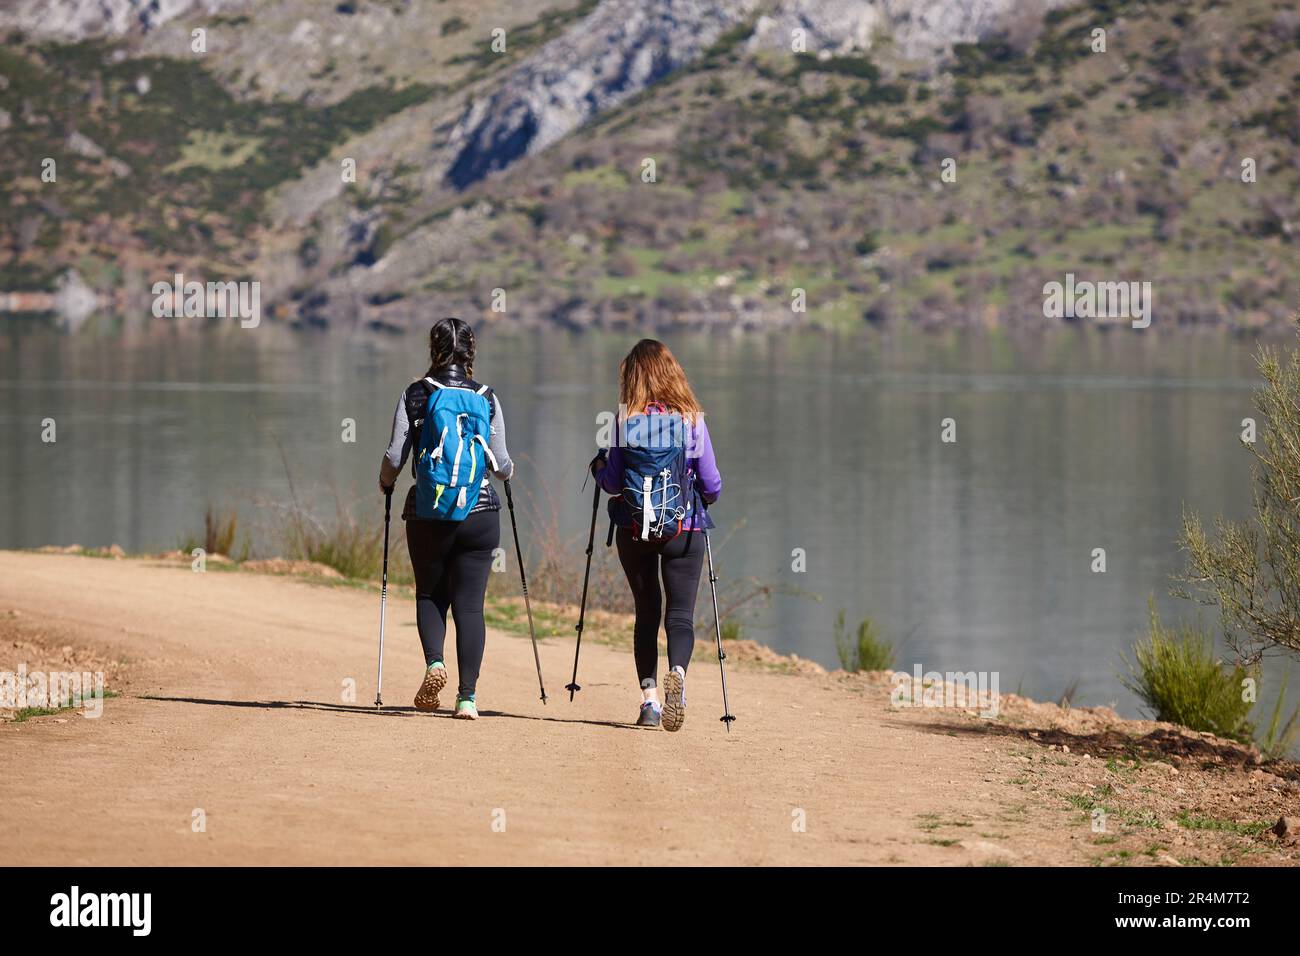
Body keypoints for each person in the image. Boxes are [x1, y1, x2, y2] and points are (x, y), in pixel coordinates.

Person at [379, 317, 513, 720]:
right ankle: (467, 699)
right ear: (470, 352)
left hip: (427, 512)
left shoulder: (415, 394)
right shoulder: (487, 397)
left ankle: (435, 663)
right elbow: (502, 464)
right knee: (470, 606)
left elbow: (393, 458)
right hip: (480, 512)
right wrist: (507, 471)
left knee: (429, 594)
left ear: (433, 350)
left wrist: (385, 484)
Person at [593, 339, 722, 731]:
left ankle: (649, 702)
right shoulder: (692, 419)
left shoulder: (622, 421)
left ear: (632, 376)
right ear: (673, 373)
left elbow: (613, 484)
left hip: (635, 529)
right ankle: (678, 677)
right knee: (680, 615)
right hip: (685, 529)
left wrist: (598, 466)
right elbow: (713, 485)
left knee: (647, 613)